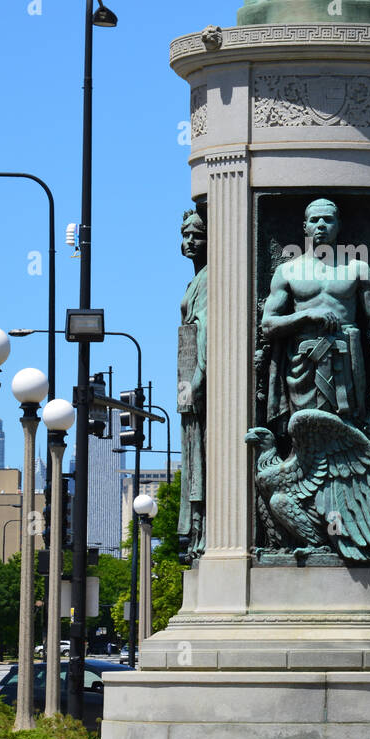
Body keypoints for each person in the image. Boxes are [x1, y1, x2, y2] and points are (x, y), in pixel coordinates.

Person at [261, 198, 370, 439]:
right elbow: (268, 325)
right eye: (314, 220)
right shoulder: (287, 271)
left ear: (339, 225)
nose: (321, 224)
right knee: (305, 431)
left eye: (328, 219)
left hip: (348, 359)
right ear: (305, 227)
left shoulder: (358, 268)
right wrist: (306, 316)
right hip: (303, 362)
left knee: (348, 432)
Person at [178, 208, 207, 558]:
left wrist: (197, 384)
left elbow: (208, 336)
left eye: (196, 235)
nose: (189, 241)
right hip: (187, 383)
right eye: (185, 235)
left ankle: (201, 532)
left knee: (199, 459)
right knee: (193, 459)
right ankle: (199, 533)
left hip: (196, 386)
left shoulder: (210, 279)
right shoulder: (195, 280)